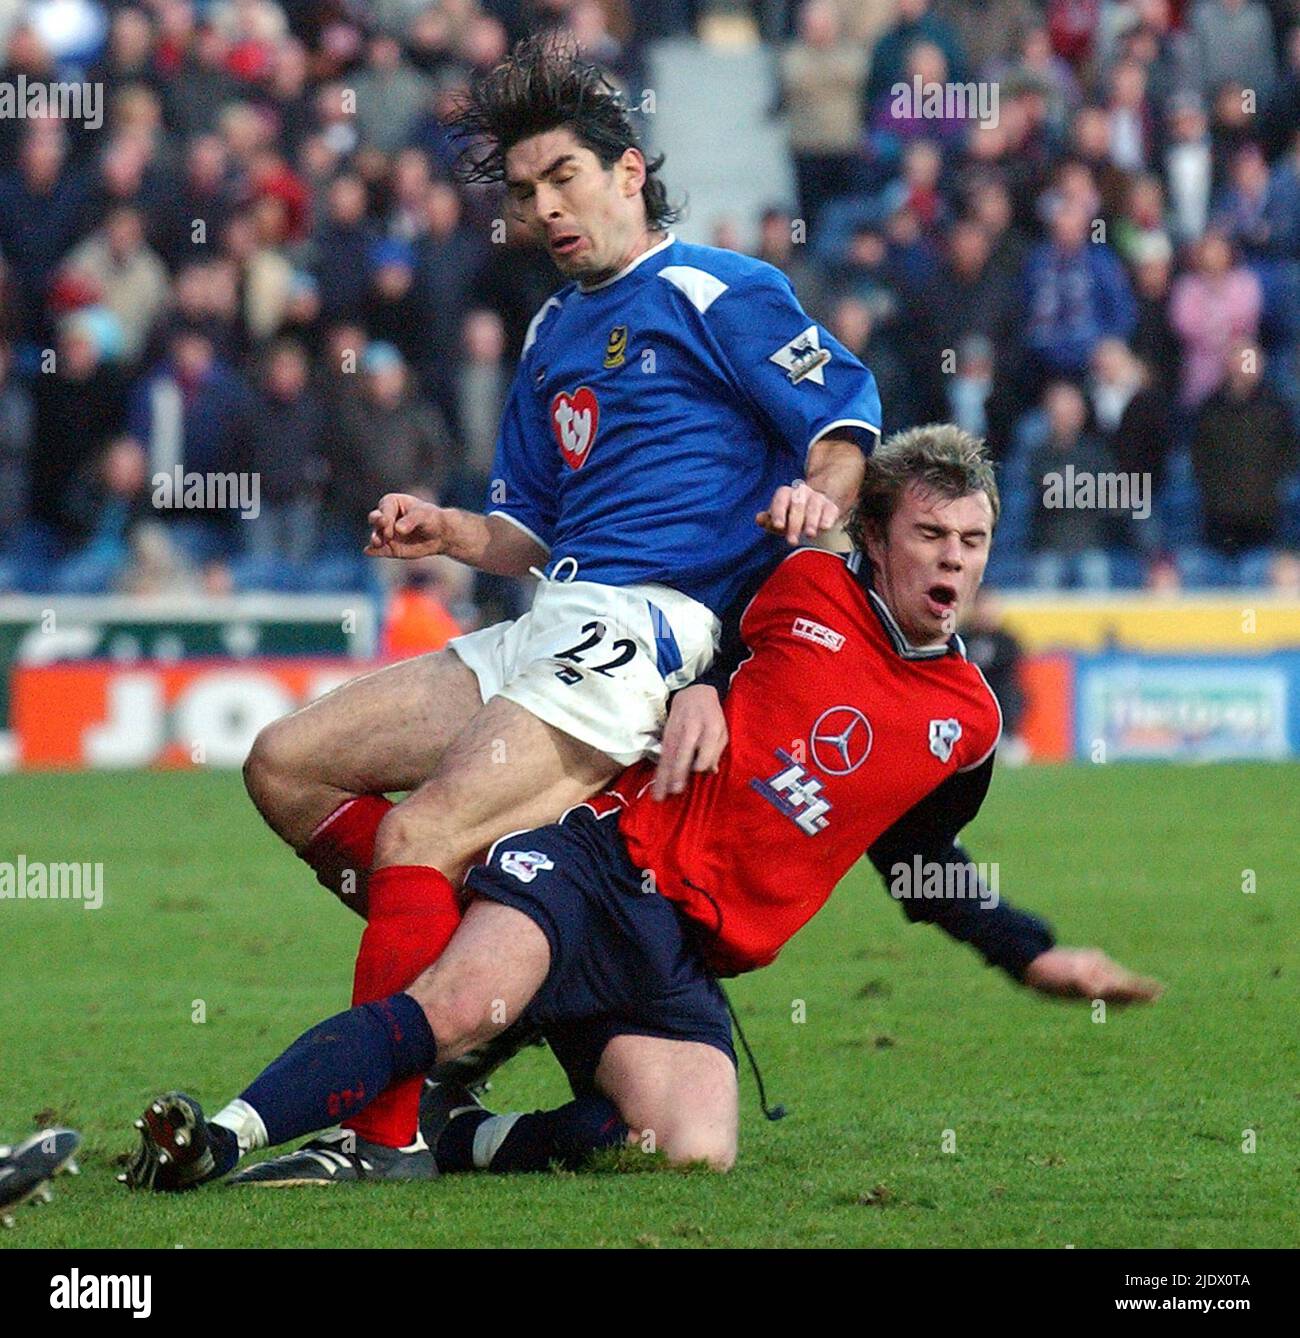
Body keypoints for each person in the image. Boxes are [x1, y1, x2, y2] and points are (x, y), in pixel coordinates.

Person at [124, 426, 1159, 1189]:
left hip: (680, 953)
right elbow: (674, 630)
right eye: (929, 534)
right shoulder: (794, 584)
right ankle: (217, 1140)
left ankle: (458, 1138)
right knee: (452, 1008)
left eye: (971, 541)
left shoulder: (965, 720)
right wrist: (704, 682)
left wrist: (1029, 953)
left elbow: (917, 857)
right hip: (598, 867)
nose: (952, 560)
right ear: (875, 539)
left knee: (688, 1146)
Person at [237, 32, 881, 1166]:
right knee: (285, 762)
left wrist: (817, 500)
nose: (545, 209)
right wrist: (445, 528)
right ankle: (477, 974)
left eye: (564, 179)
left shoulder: (719, 289)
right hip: (546, 617)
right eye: (528, 192)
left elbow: (841, 432)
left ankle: (379, 1133)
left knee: (422, 835)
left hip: (649, 631)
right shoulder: (549, 333)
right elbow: (526, 529)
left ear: (628, 171)